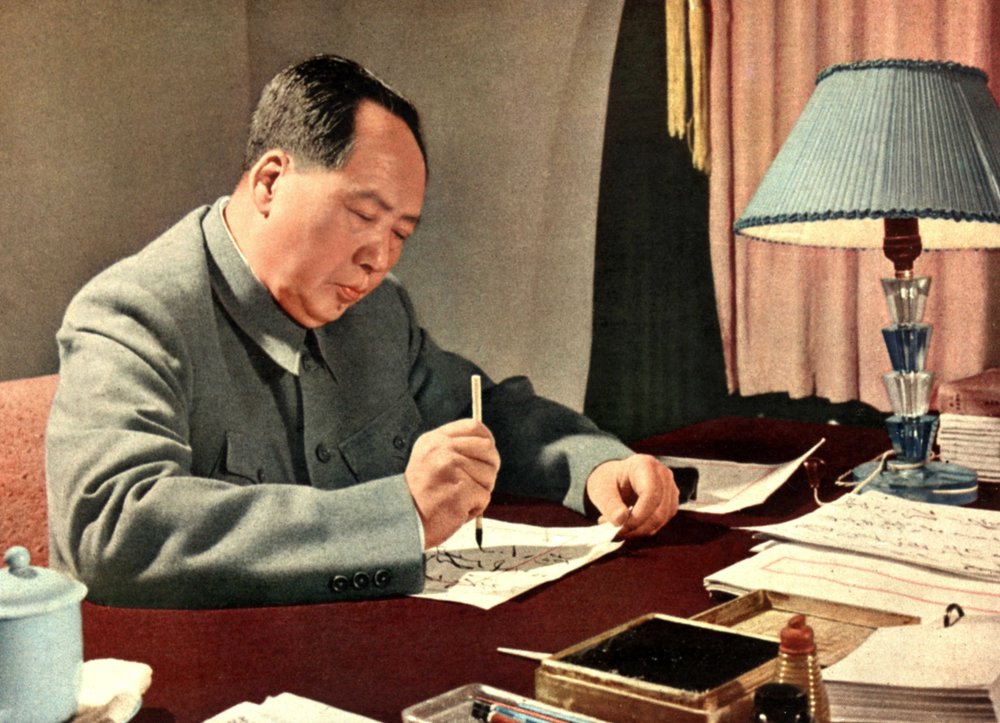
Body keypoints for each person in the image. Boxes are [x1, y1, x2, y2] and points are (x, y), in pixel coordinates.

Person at [46, 55, 678, 608]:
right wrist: (398, 513)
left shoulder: (376, 312)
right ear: (270, 182)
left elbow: (483, 412)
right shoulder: (133, 314)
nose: (379, 259)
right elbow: (112, 528)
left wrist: (597, 467)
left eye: (400, 234)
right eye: (363, 215)